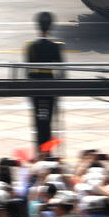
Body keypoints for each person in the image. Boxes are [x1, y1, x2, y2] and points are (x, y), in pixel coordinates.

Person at [25, 11, 65, 152]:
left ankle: (39, 151)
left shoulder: (30, 47)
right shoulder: (55, 46)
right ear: (51, 27)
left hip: (35, 85)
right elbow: (61, 70)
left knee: (38, 121)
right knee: (49, 120)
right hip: (50, 84)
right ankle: (47, 151)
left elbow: (27, 70)